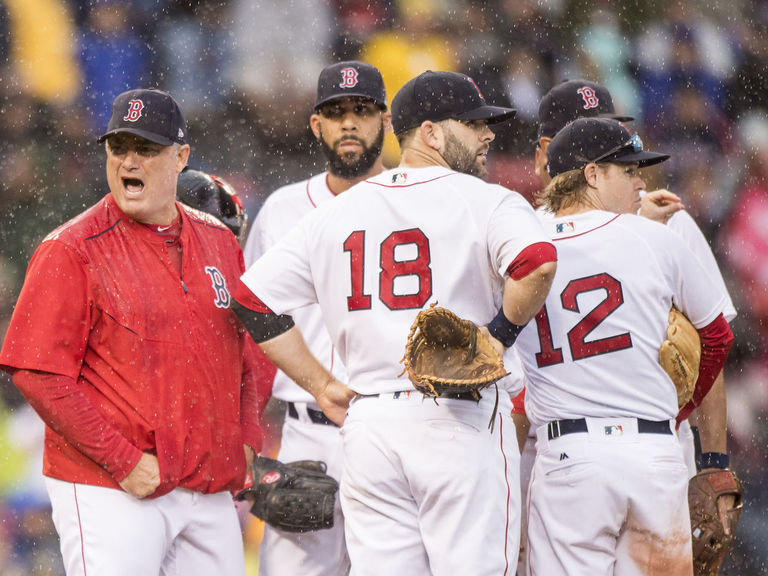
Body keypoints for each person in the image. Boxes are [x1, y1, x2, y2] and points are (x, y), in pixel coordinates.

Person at [234, 70, 557, 575]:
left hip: (371, 426)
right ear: (429, 133)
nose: (487, 135)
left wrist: (320, 385)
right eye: (472, 125)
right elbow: (537, 262)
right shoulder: (486, 199)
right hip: (459, 420)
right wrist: (499, 335)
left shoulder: (339, 211)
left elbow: (251, 299)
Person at [0, 88, 265, 576]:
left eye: (145, 148)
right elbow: (37, 373)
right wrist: (123, 461)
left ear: (181, 157)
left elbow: (249, 355)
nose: (128, 160)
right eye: (118, 147)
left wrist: (247, 438)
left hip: (205, 485)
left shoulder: (220, 241)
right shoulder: (71, 249)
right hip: (109, 486)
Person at [516, 78, 739, 575]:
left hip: (567, 451)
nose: (640, 181)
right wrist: (681, 408)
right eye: (628, 169)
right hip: (654, 449)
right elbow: (717, 339)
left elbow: (504, 364)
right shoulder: (657, 235)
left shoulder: (519, 240)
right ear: (591, 174)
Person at [242, 60, 391, 576]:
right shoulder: (282, 209)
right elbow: (249, 325)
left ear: (386, 121)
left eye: (362, 110)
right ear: (316, 125)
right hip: (307, 433)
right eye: (335, 112)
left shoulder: (415, 202)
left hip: (392, 427)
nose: (349, 122)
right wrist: (245, 432)